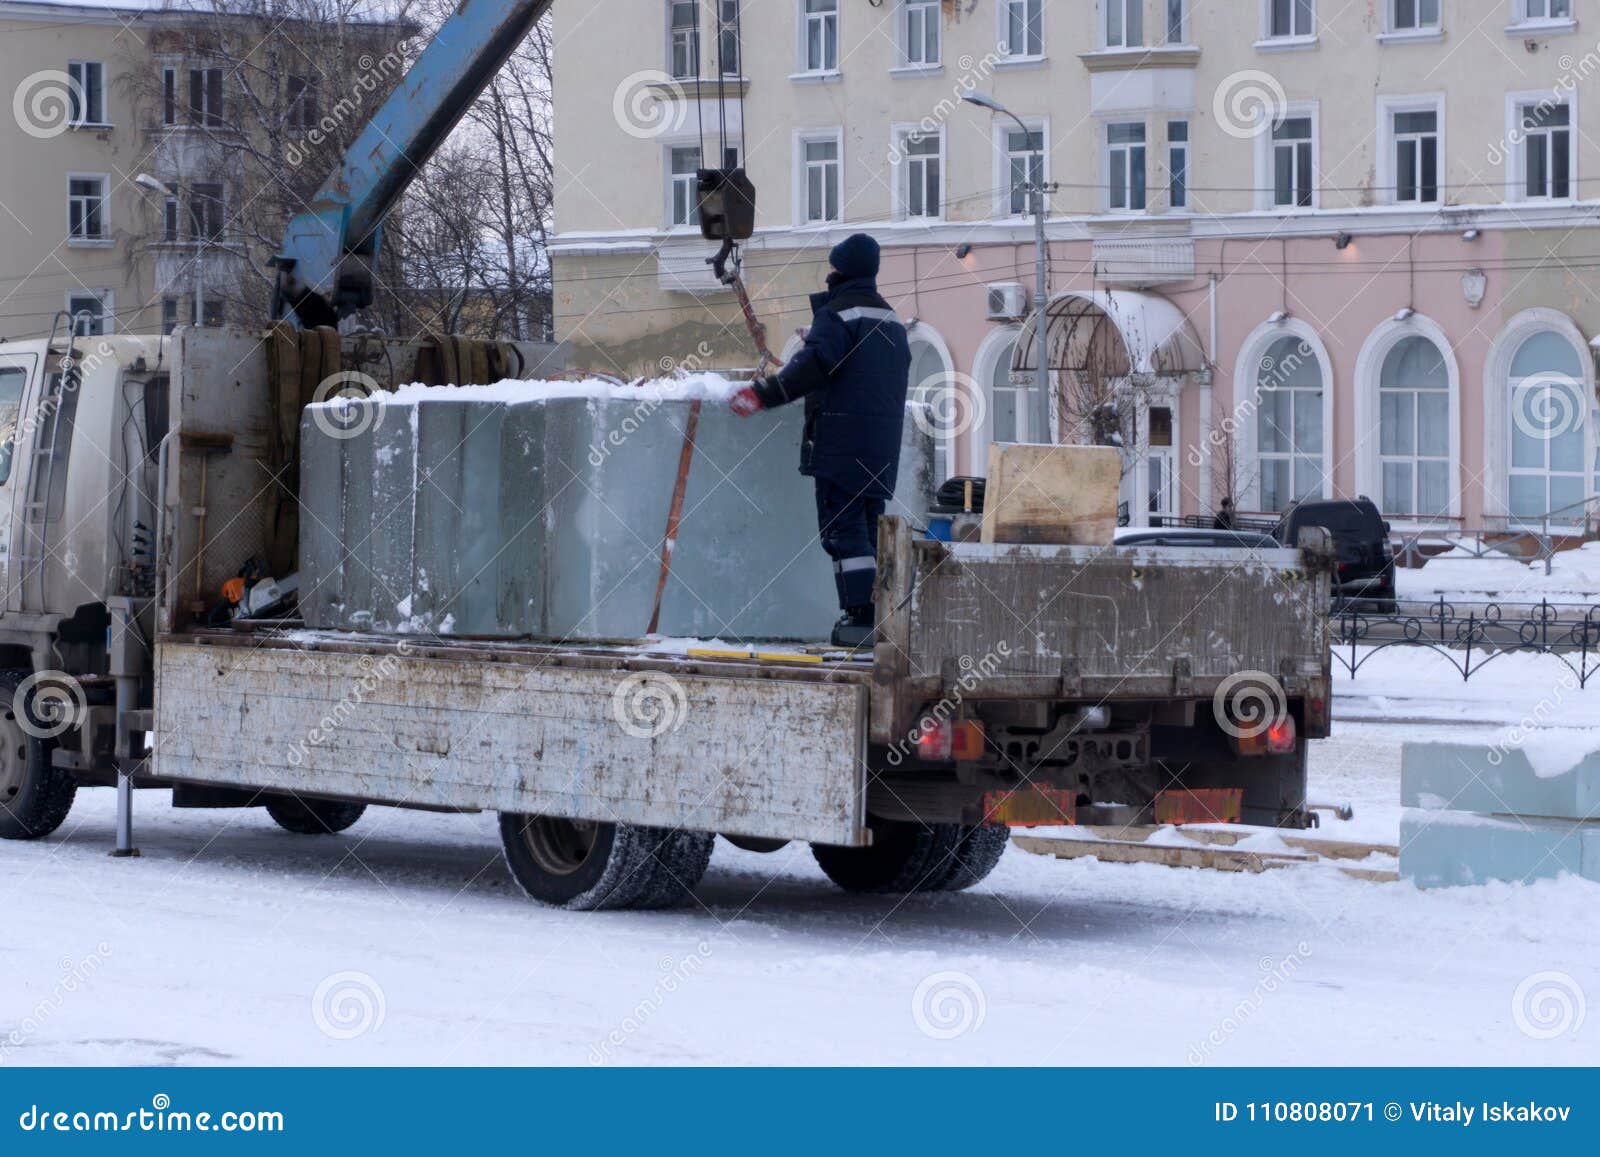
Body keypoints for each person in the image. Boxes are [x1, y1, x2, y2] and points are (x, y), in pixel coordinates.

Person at [729, 233, 911, 647]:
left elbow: (815, 367)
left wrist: (764, 393)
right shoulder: (891, 319)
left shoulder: (839, 315)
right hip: (881, 448)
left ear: (841, 270)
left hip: (842, 442)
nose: (828, 273)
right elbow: (866, 371)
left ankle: (860, 619)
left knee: (842, 530)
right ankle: (880, 615)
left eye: (832, 266)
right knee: (868, 528)